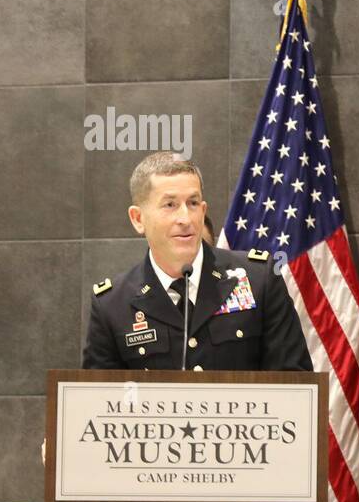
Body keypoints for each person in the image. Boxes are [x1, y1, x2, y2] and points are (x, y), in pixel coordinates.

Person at [83, 152, 311, 372]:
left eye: (193, 203)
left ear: (203, 211)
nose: (185, 219)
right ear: (138, 218)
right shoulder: (112, 305)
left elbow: (294, 386)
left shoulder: (259, 280)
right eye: (170, 205)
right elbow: (100, 402)